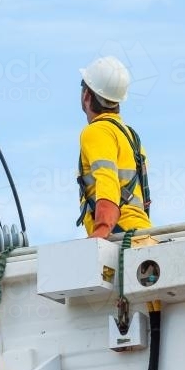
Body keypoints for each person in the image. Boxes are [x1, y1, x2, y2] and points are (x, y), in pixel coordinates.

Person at [76, 55, 152, 238]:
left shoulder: (96, 131)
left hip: (119, 234)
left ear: (87, 95)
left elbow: (107, 180)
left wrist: (101, 231)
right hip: (142, 234)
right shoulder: (131, 136)